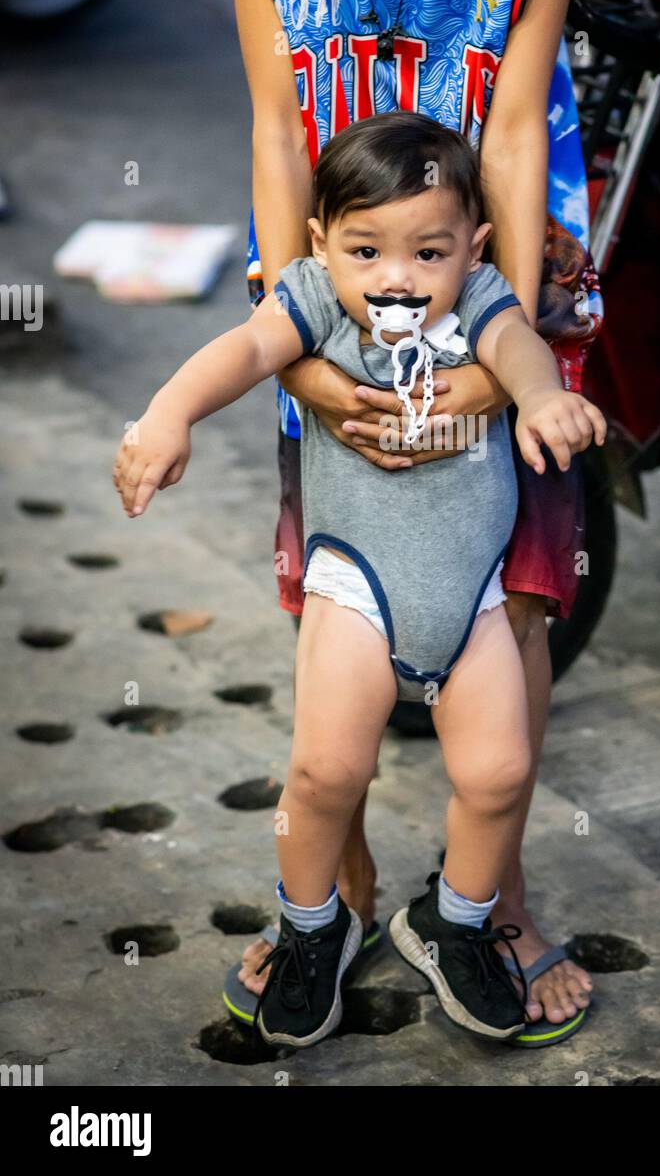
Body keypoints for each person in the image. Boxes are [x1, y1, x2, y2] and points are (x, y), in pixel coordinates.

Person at [216, 0, 606, 1043]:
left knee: (521, 589)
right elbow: (279, 124)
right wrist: (296, 355)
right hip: (333, 297)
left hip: (501, 280)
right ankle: (340, 893)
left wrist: (509, 354)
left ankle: (486, 902)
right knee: (335, 595)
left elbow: (511, 113)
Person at [113, 113, 606, 1046]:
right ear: (319, 245)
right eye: (366, 248)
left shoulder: (484, 302)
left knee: (500, 773)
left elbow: (520, 352)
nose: (396, 276)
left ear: (475, 247)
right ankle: (314, 927)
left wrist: (541, 397)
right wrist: (169, 413)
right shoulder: (312, 300)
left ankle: (454, 923)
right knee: (326, 770)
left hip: (474, 600)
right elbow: (244, 352)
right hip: (357, 591)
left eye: (429, 251)